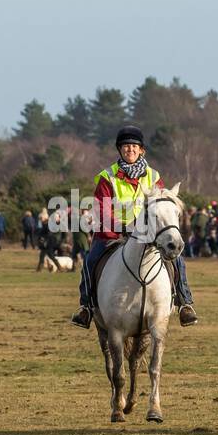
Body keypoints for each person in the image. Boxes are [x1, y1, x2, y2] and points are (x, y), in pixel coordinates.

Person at [71, 125, 198, 328]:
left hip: (147, 235)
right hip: (112, 234)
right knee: (90, 260)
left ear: (141, 150)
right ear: (120, 150)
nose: (130, 149)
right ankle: (86, 307)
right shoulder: (107, 177)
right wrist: (122, 228)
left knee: (176, 259)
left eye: (134, 146)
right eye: (125, 146)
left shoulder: (153, 177)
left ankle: (184, 303)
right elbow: (101, 211)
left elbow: (162, 205)